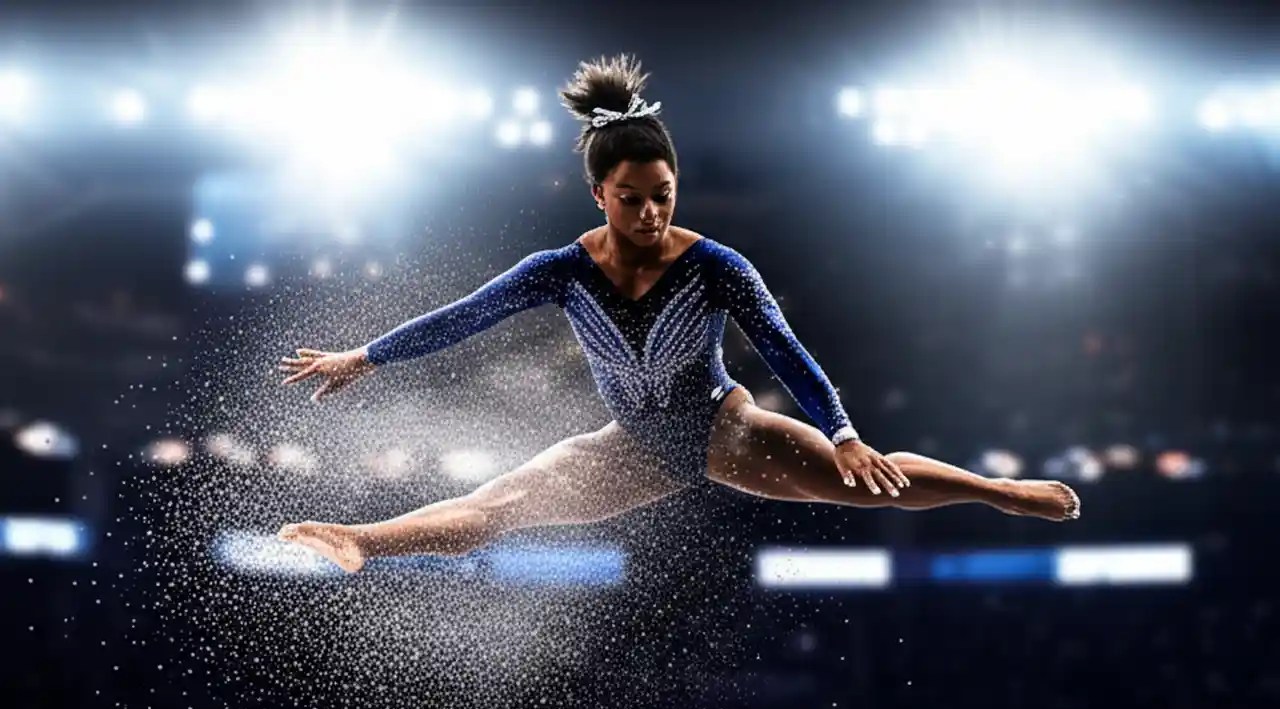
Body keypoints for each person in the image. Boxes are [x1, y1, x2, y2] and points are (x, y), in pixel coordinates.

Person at [276, 54, 1079, 573]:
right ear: (599, 195)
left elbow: (785, 349)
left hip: (725, 432)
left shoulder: (716, 266)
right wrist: (364, 357)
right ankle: (360, 540)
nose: (652, 214)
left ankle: (1003, 493)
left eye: (664, 195)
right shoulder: (558, 272)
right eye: (632, 200)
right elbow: (463, 317)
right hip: (629, 447)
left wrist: (841, 429)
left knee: (864, 484)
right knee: (495, 511)